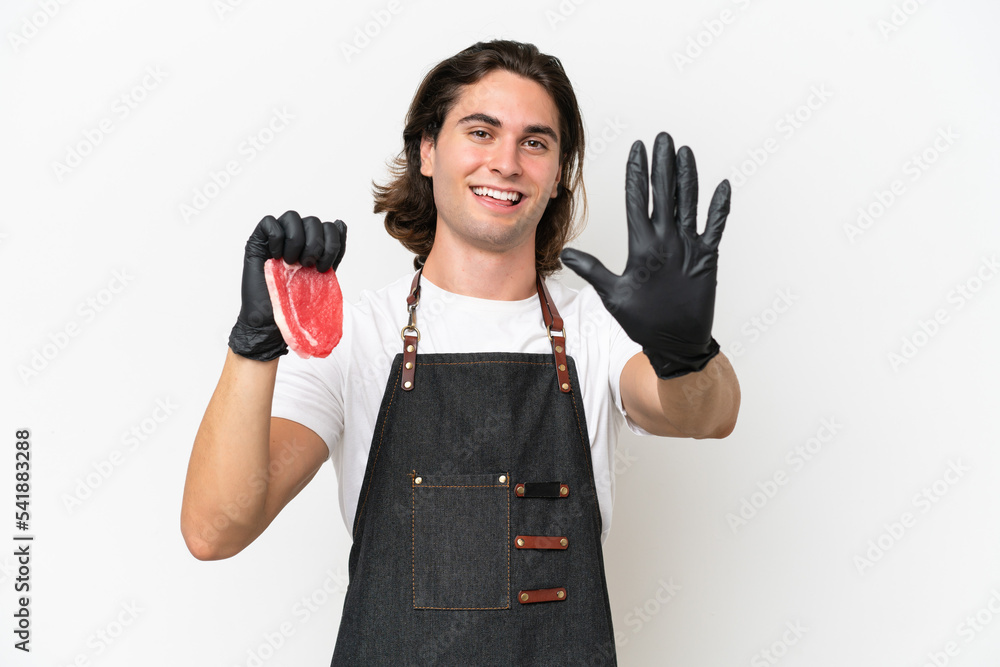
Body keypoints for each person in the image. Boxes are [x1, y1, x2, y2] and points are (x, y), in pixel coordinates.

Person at [181, 39, 739, 665]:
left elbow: (705, 416)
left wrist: (686, 352)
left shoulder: (596, 330)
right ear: (427, 150)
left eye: (535, 142)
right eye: (481, 131)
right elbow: (214, 530)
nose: (506, 162)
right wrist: (254, 346)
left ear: (557, 175)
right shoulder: (358, 336)